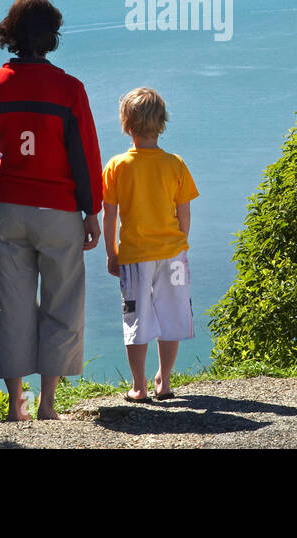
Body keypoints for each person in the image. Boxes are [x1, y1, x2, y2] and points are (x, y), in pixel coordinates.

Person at [0, 0, 102, 421]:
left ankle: (14, 405)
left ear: (10, 34)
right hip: (58, 213)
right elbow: (85, 157)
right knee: (60, 303)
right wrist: (90, 210)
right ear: (52, 36)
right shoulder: (70, 89)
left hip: (7, 208)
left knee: (10, 304)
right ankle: (49, 405)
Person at [102, 87, 198, 403]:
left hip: (134, 257)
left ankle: (139, 386)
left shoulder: (116, 166)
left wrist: (111, 253)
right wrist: (181, 244)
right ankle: (165, 382)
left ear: (127, 125)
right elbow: (184, 212)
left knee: (135, 318)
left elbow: (110, 216)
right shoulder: (175, 164)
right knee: (172, 315)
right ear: (162, 122)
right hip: (173, 254)